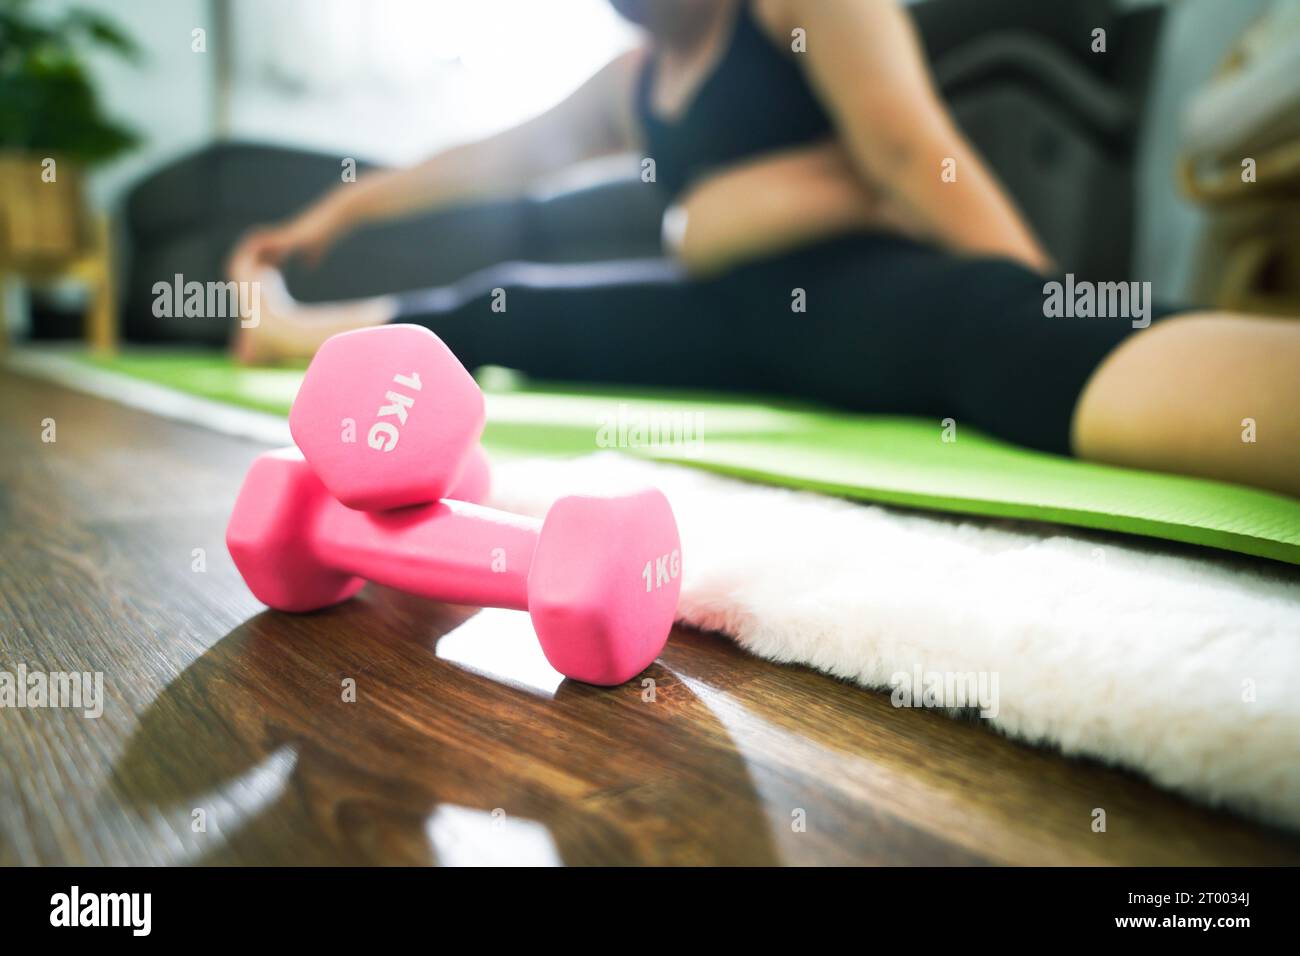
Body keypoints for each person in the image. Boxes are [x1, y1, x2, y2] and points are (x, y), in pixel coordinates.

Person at [228, 0, 1300, 497]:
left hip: (854, 293)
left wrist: (1040, 304)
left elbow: (914, 152)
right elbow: (488, 159)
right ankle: (297, 334)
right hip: (721, 312)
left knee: (994, 335)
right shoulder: (634, 80)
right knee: (510, 300)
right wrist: (344, 212)